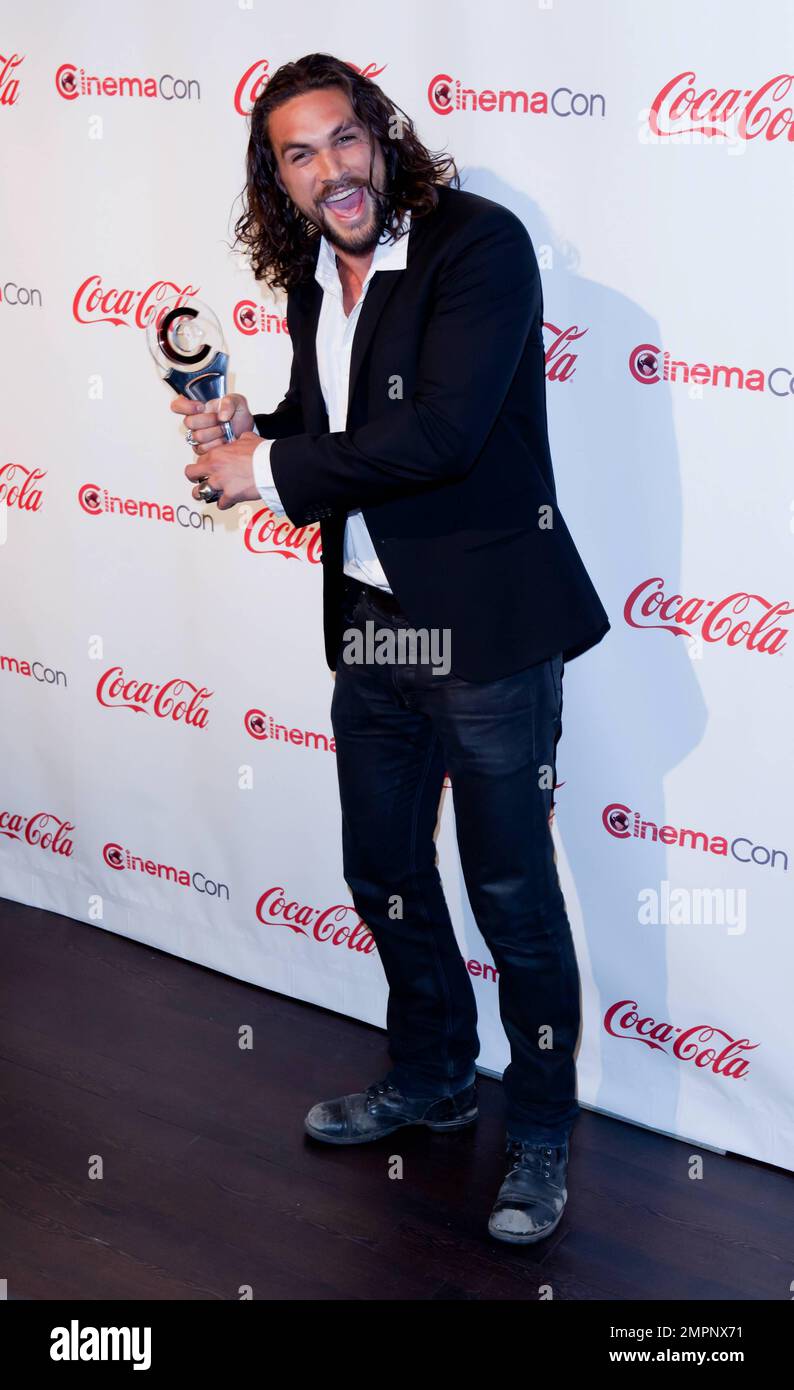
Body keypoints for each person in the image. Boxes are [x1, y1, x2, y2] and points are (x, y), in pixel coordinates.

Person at [171, 53, 610, 1245]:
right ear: (278, 180)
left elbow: (442, 433)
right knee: (385, 870)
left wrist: (261, 473)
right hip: (374, 622)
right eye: (298, 155)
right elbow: (347, 418)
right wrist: (255, 424)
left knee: (511, 899)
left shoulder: (477, 245)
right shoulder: (317, 272)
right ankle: (430, 1076)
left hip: (489, 630)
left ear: (380, 135)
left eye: (343, 139)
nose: (330, 170)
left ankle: (535, 1136)